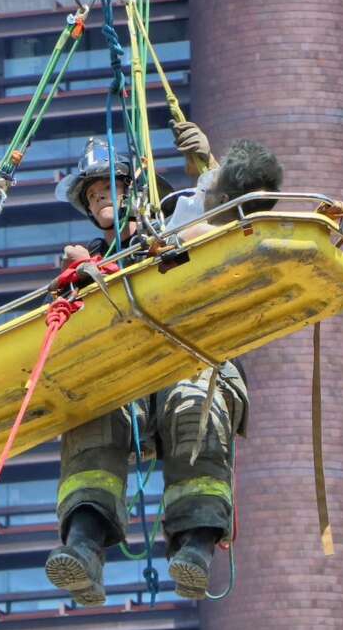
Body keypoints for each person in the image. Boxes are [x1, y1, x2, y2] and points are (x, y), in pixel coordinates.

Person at [43, 122, 281, 604]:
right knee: (93, 416)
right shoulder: (83, 261)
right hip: (126, 383)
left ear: (136, 188)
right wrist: (76, 281)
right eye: (90, 195)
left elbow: (237, 213)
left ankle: (195, 547)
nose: (97, 200)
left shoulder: (174, 220)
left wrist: (209, 163)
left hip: (192, 365)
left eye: (106, 186)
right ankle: (84, 548)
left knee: (194, 407)